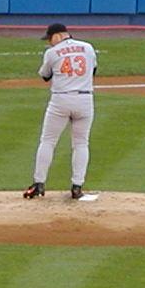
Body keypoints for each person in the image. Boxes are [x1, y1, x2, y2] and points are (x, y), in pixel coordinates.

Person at [23, 22, 97, 200]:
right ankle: (77, 187)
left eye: (49, 39)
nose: (49, 42)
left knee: (48, 141)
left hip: (61, 100)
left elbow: (45, 76)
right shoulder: (88, 47)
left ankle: (39, 184)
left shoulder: (52, 53)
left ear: (56, 36)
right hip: (85, 100)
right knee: (81, 143)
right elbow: (93, 71)